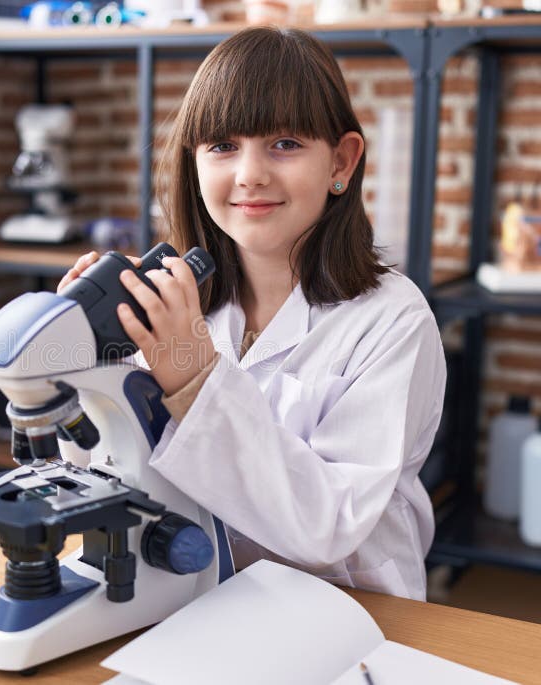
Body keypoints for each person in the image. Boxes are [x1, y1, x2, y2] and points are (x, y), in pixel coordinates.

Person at [57, 26, 446, 601]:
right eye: (222, 146)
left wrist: (194, 378)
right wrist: (83, 366)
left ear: (342, 159)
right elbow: (109, 473)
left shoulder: (393, 320)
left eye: (285, 143)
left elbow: (328, 524)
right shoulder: (171, 306)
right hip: (200, 598)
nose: (250, 174)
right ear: (193, 162)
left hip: (355, 612)